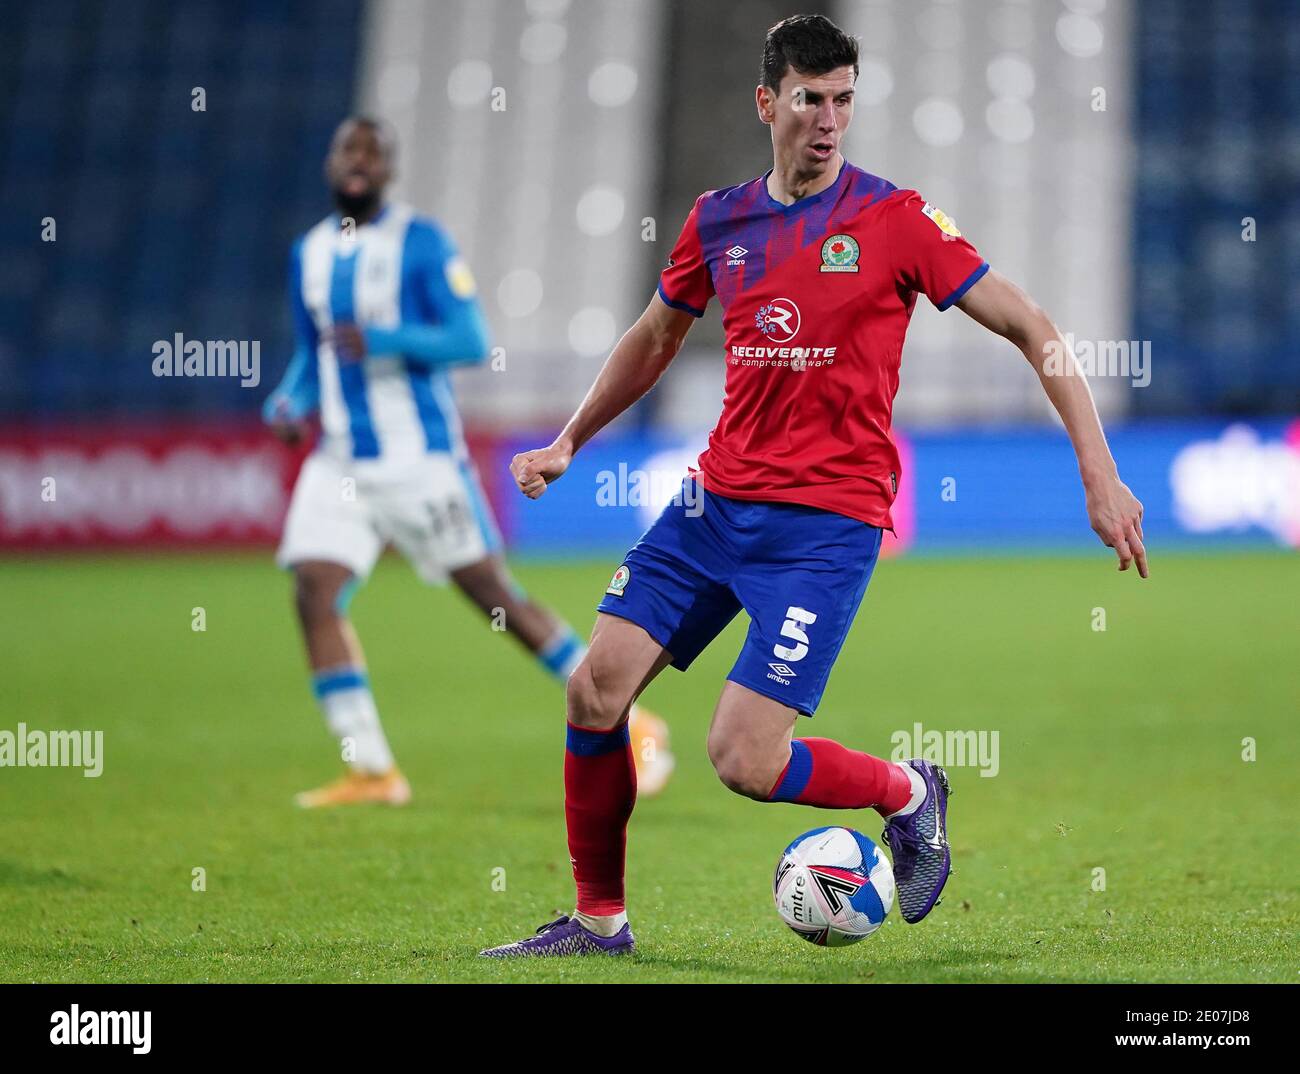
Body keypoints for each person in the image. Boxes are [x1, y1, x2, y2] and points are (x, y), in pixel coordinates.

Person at [481, 14, 1145, 958]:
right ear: (768, 103)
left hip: (824, 527)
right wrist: (569, 440)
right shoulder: (720, 218)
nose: (830, 119)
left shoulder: (898, 221)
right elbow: (654, 337)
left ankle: (909, 793)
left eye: (843, 100)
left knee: (742, 761)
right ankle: (599, 922)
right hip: (713, 506)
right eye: (810, 99)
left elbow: (1034, 326)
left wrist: (1100, 471)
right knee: (593, 691)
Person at [263, 117, 674, 808]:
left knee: (495, 599)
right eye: (348, 151)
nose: (359, 163)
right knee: (313, 589)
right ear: (332, 163)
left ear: (389, 170)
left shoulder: (420, 244)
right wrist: (288, 398)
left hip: (420, 461)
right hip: (338, 459)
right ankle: (370, 768)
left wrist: (385, 337)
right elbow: (316, 349)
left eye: (373, 153)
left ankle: (632, 719)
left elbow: (468, 336)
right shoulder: (307, 252)